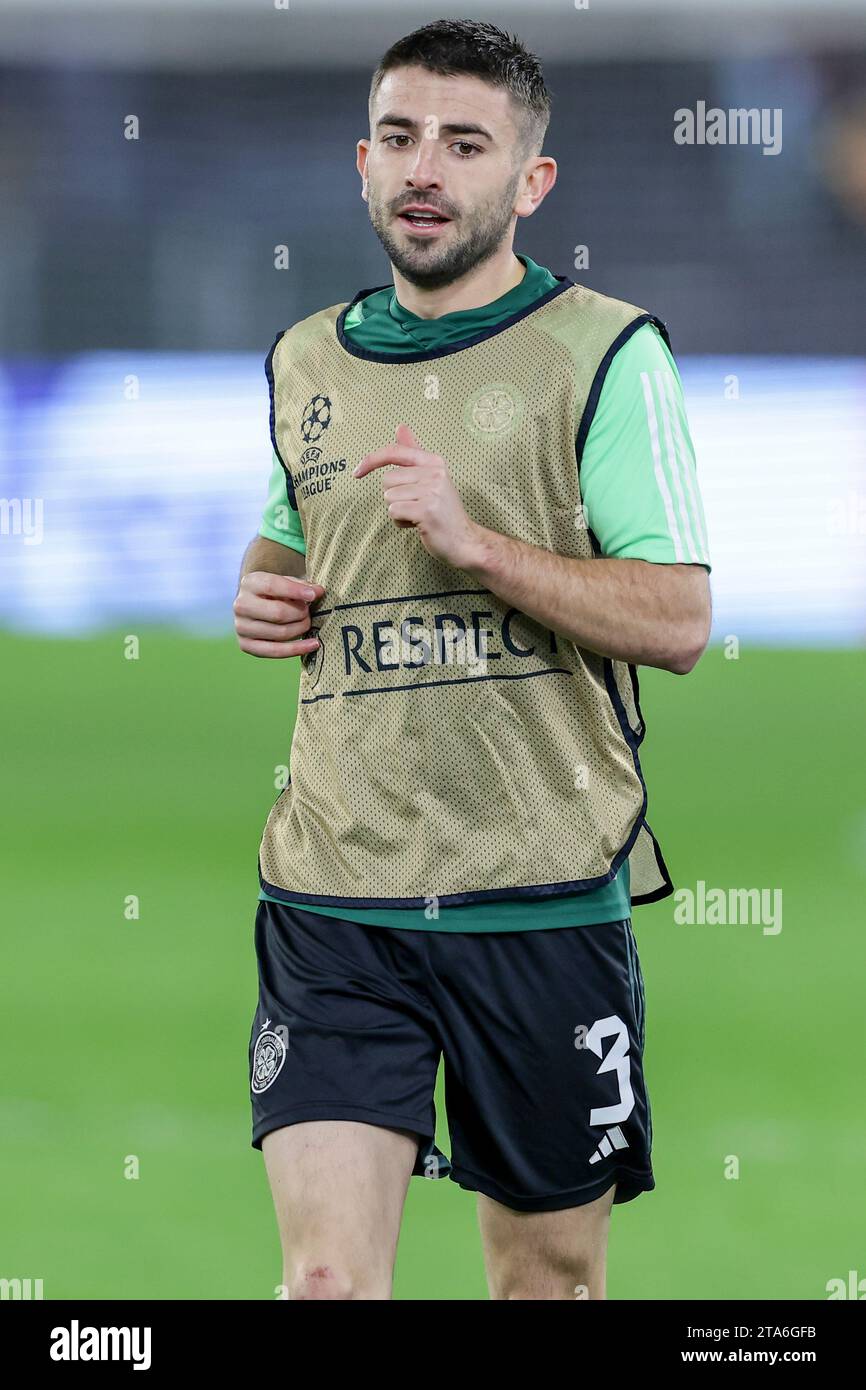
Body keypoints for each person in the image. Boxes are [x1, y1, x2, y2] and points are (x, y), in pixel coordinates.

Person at [234, 18, 712, 1301]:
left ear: (530, 180)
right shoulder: (303, 361)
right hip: (335, 898)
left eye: (462, 141)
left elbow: (676, 621)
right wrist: (260, 602)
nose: (424, 168)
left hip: (540, 897)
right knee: (326, 1280)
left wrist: (479, 546)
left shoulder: (602, 353)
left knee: (544, 1285)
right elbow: (286, 545)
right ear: (362, 162)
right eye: (398, 138)